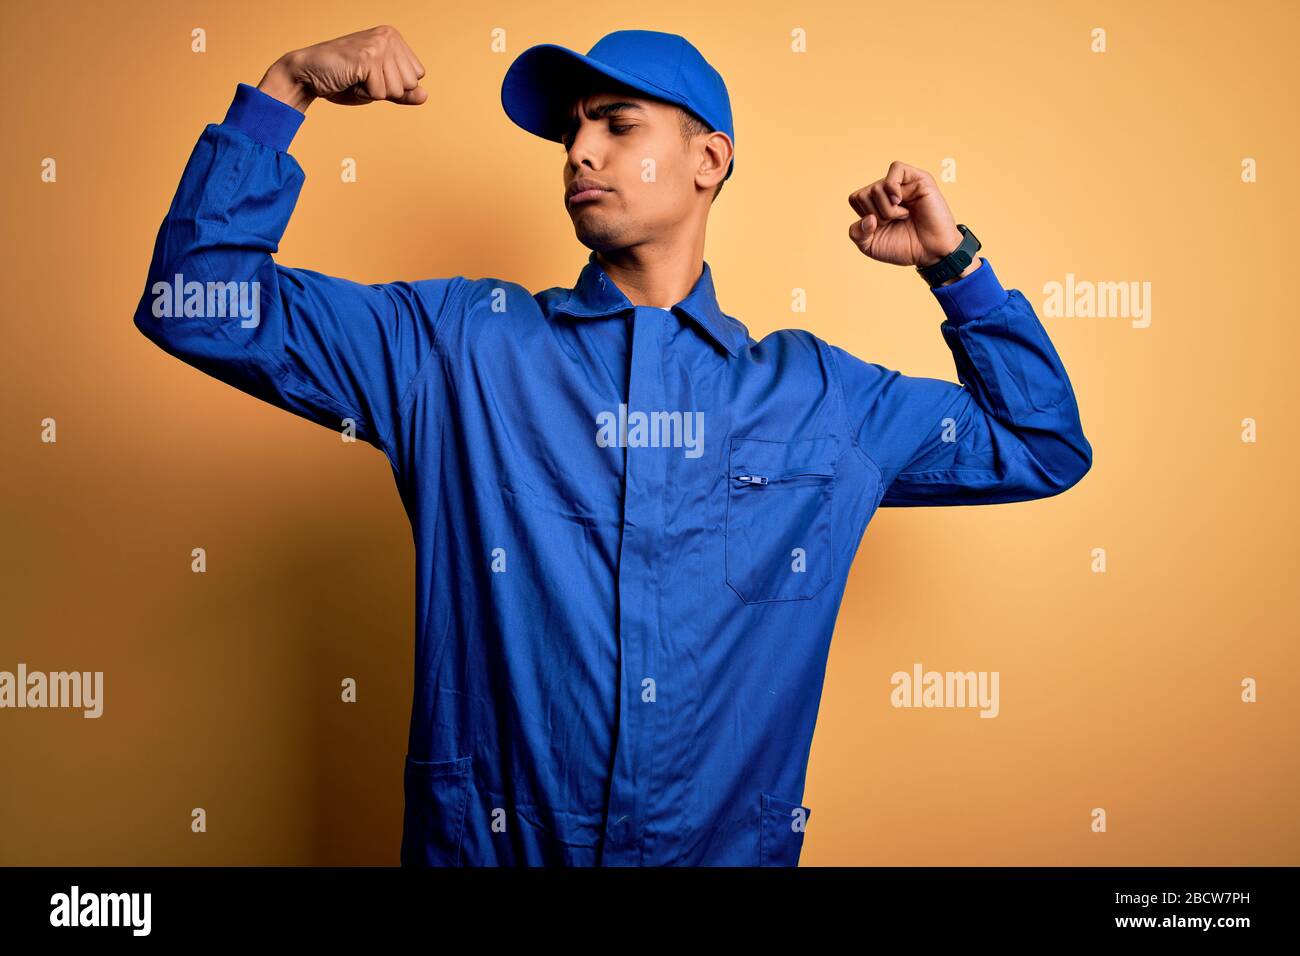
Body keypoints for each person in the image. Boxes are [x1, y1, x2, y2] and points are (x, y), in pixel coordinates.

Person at [133, 25, 1092, 866]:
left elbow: (1040, 441)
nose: (579, 151)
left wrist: (954, 266)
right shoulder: (457, 346)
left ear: (707, 159)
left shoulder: (819, 399)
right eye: (572, 131)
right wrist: (286, 86)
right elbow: (197, 307)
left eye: (617, 124)